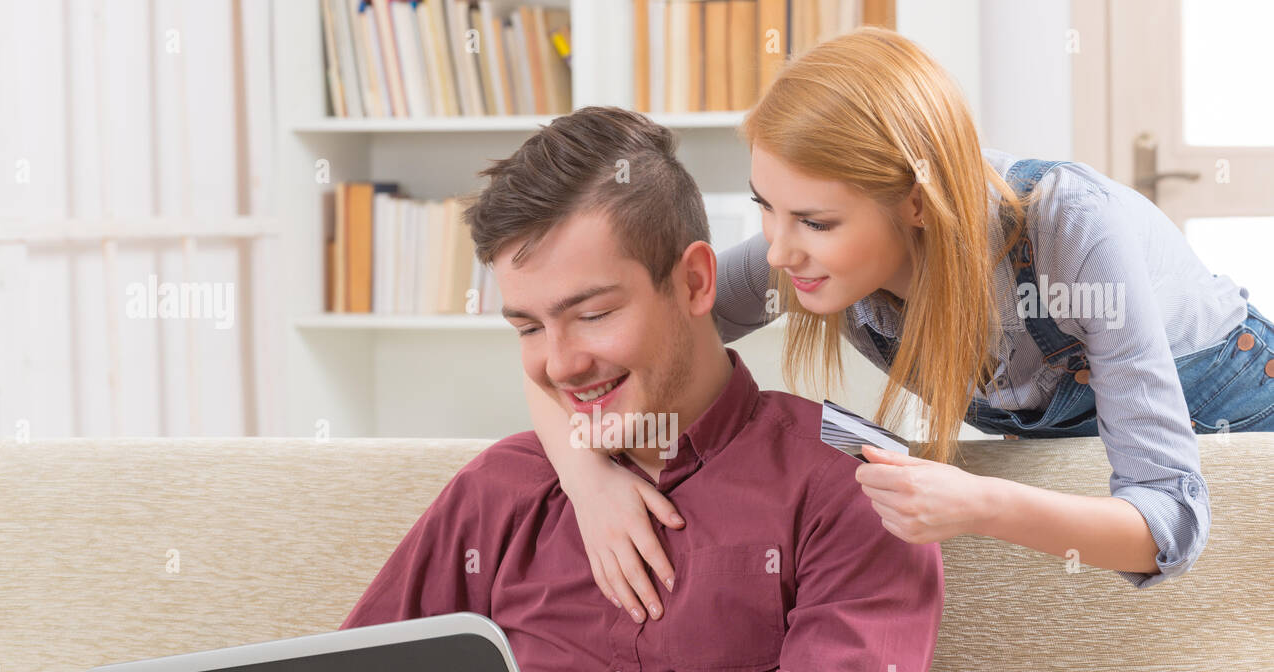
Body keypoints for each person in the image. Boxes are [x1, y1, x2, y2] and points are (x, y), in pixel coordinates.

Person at [340, 106, 943, 672]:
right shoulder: (502, 492)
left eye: (591, 314)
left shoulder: (853, 478)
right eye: (528, 328)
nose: (559, 365)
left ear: (694, 280)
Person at [530, 27, 1273, 626]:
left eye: (816, 221)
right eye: (764, 206)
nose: (779, 251)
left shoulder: (1074, 232)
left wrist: (976, 501)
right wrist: (590, 480)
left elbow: (1171, 522)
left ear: (916, 202)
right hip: (1069, 445)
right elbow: (570, 348)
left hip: (1239, 409)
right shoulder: (799, 255)